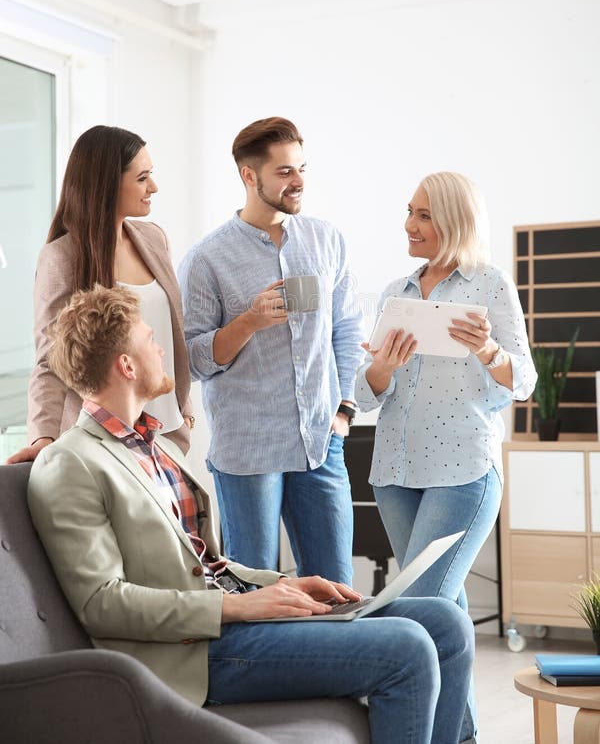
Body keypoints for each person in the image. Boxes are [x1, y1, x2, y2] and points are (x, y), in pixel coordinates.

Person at [27, 284, 475, 744]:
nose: (161, 349)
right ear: (126, 365)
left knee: (446, 623)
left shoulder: (153, 446)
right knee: (408, 648)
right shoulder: (71, 462)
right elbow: (103, 602)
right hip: (192, 654)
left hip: (233, 623)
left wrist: (280, 584)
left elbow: (204, 565)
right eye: (150, 340)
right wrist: (238, 607)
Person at [355, 170, 537, 741]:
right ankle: (461, 738)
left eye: (425, 215)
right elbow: (364, 394)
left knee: (416, 613)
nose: (411, 225)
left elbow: (525, 381)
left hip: (463, 472)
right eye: (409, 212)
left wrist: (486, 349)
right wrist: (383, 368)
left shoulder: (489, 285)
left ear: (454, 220)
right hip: (395, 473)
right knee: (447, 614)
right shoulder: (394, 294)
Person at [178, 117, 364, 584]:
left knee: (336, 588)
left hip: (321, 447)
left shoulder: (327, 241)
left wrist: (343, 410)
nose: (298, 181)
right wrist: (250, 321)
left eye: (302, 168)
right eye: (284, 172)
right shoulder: (206, 259)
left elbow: (346, 327)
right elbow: (193, 360)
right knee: (254, 589)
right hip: (248, 453)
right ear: (249, 176)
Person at [8, 124, 193, 464]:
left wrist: (185, 407)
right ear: (106, 183)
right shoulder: (61, 257)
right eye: (142, 178)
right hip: (104, 444)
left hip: (167, 436)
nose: (154, 187)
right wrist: (43, 437)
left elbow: (171, 331)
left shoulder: (154, 239)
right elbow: (51, 359)